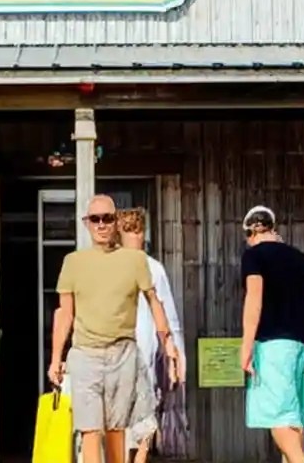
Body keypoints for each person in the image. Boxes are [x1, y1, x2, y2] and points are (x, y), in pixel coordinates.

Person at [49, 194, 181, 463]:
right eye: (95, 219)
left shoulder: (134, 260)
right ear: (87, 223)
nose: (101, 224)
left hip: (123, 352)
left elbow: (154, 301)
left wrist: (169, 344)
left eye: (107, 218)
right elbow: (64, 313)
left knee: (116, 429)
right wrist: (55, 359)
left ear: (116, 223)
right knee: (89, 429)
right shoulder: (73, 262)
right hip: (85, 353)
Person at [238, 205, 304, 463]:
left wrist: (246, 346)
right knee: (294, 417)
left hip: (272, 345)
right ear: (273, 229)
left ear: (249, 233)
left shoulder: (254, 257)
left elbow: (255, 298)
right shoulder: (302, 259)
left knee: (278, 418)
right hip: (300, 346)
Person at [117, 207, 186, 463]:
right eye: (130, 230)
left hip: (144, 353)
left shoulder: (154, 268)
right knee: (126, 420)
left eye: (138, 230)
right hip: (120, 353)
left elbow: (168, 314)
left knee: (144, 421)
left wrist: (173, 352)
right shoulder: (114, 265)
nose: (135, 236)